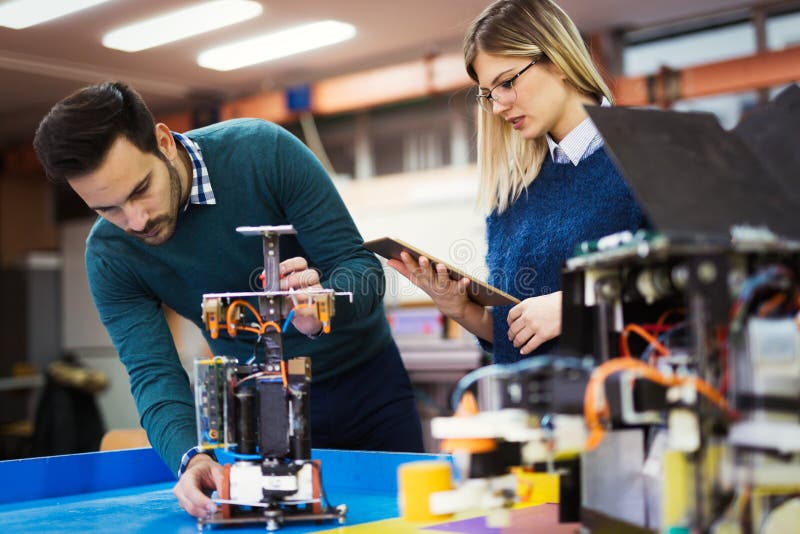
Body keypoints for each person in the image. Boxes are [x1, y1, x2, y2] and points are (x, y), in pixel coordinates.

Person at [33, 81, 423, 518]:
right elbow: (153, 373)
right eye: (108, 209)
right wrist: (191, 457)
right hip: (258, 412)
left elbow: (362, 270)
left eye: (141, 189)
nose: (135, 220)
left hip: (367, 390)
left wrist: (326, 304)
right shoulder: (110, 255)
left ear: (163, 142)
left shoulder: (262, 152)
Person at [390, 0, 645, 363]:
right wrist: (463, 311)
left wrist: (576, 303)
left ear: (557, 61)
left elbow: (699, 284)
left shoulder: (646, 155)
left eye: (506, 82)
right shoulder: (512, 193)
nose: (497, 107)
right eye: (488, 93)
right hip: (526, 411)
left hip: (621, 406)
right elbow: (517, 332)